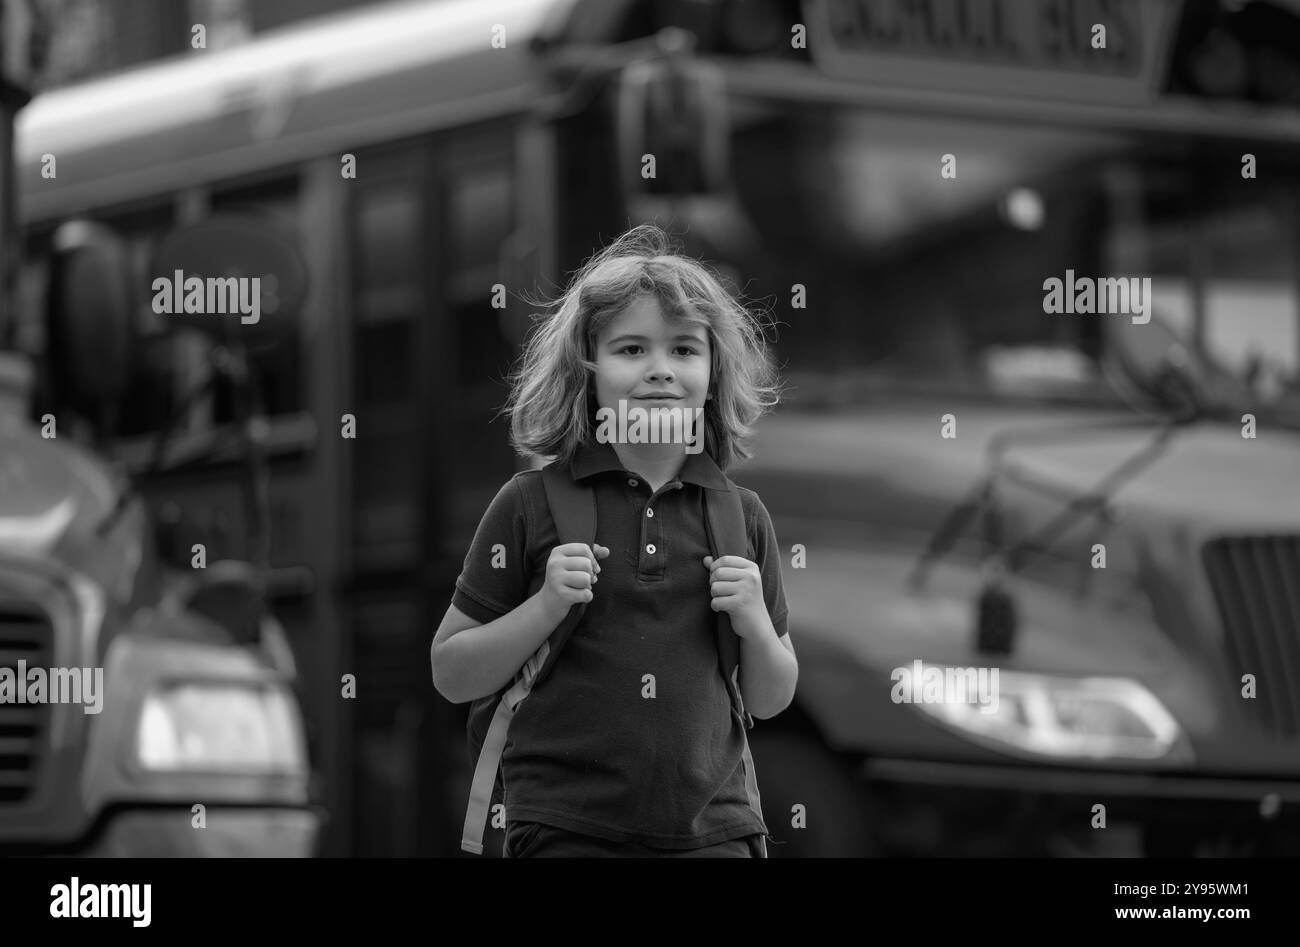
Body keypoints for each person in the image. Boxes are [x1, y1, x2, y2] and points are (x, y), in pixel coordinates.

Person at [430, 224, 796, 857]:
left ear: (714, 371)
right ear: (587, 370)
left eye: (685, 350)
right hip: (568, 830)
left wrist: (756, 624)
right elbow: (451, 673)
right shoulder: (529, 503)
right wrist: (544, 606)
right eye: (631, 349)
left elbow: (771, 696)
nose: (660, 370)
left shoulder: (743, 516)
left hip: (719, 833)